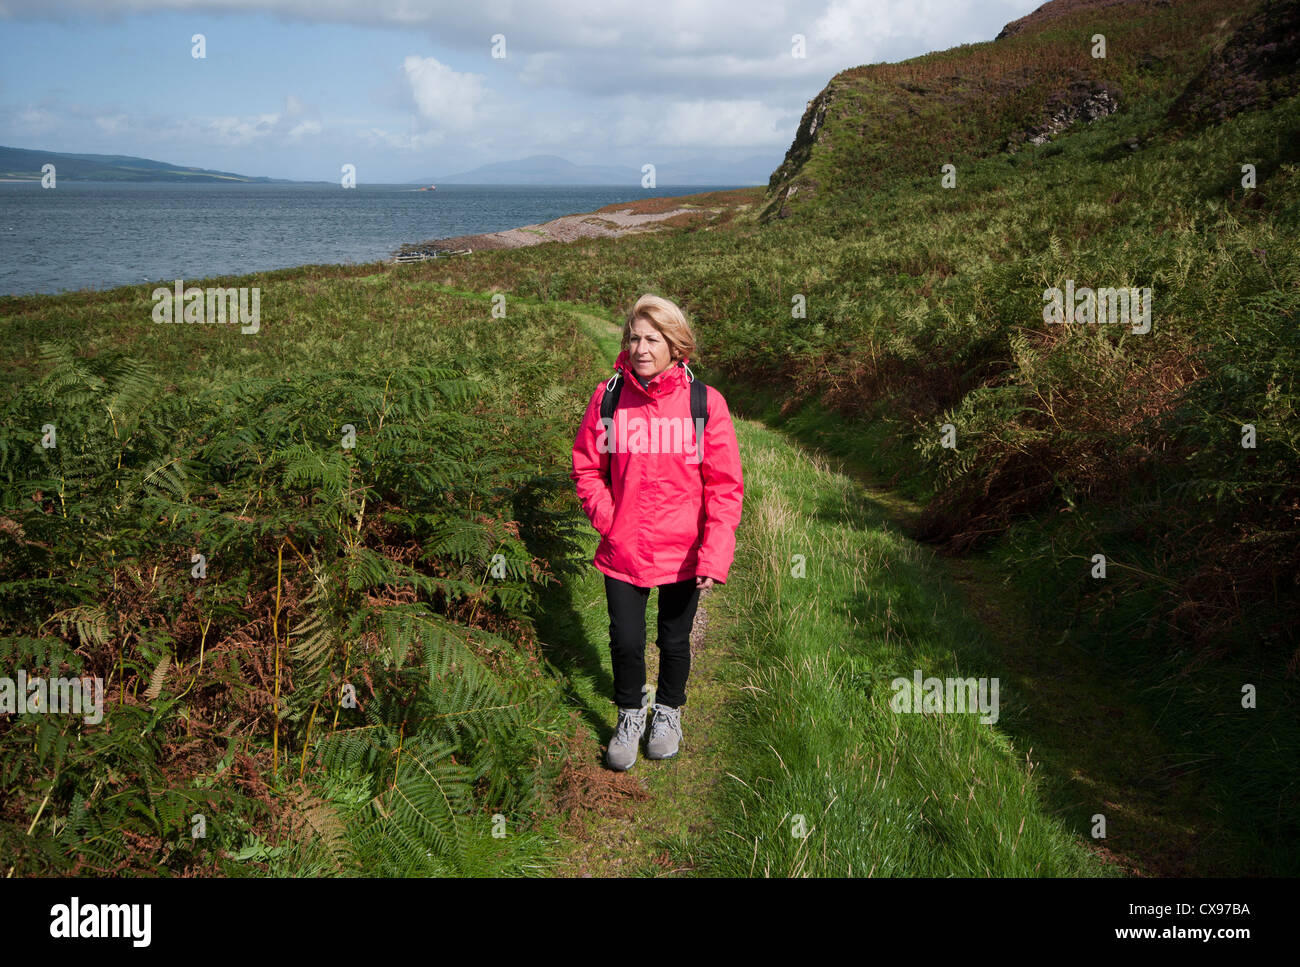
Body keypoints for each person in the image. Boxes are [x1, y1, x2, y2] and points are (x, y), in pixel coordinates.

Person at [570, 294, 744, 771]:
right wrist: (609, 520)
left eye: (653, 339)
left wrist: (714, 555)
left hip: (685, 550)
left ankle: (667, 712)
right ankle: (630, 714)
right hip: (623, 548)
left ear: (675, 344)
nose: (641, 348)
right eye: (634, 337)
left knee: (673, 639)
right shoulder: (608, 397)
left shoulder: (703, 402)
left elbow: (725, 486)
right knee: (625, 639)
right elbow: (587, 469)